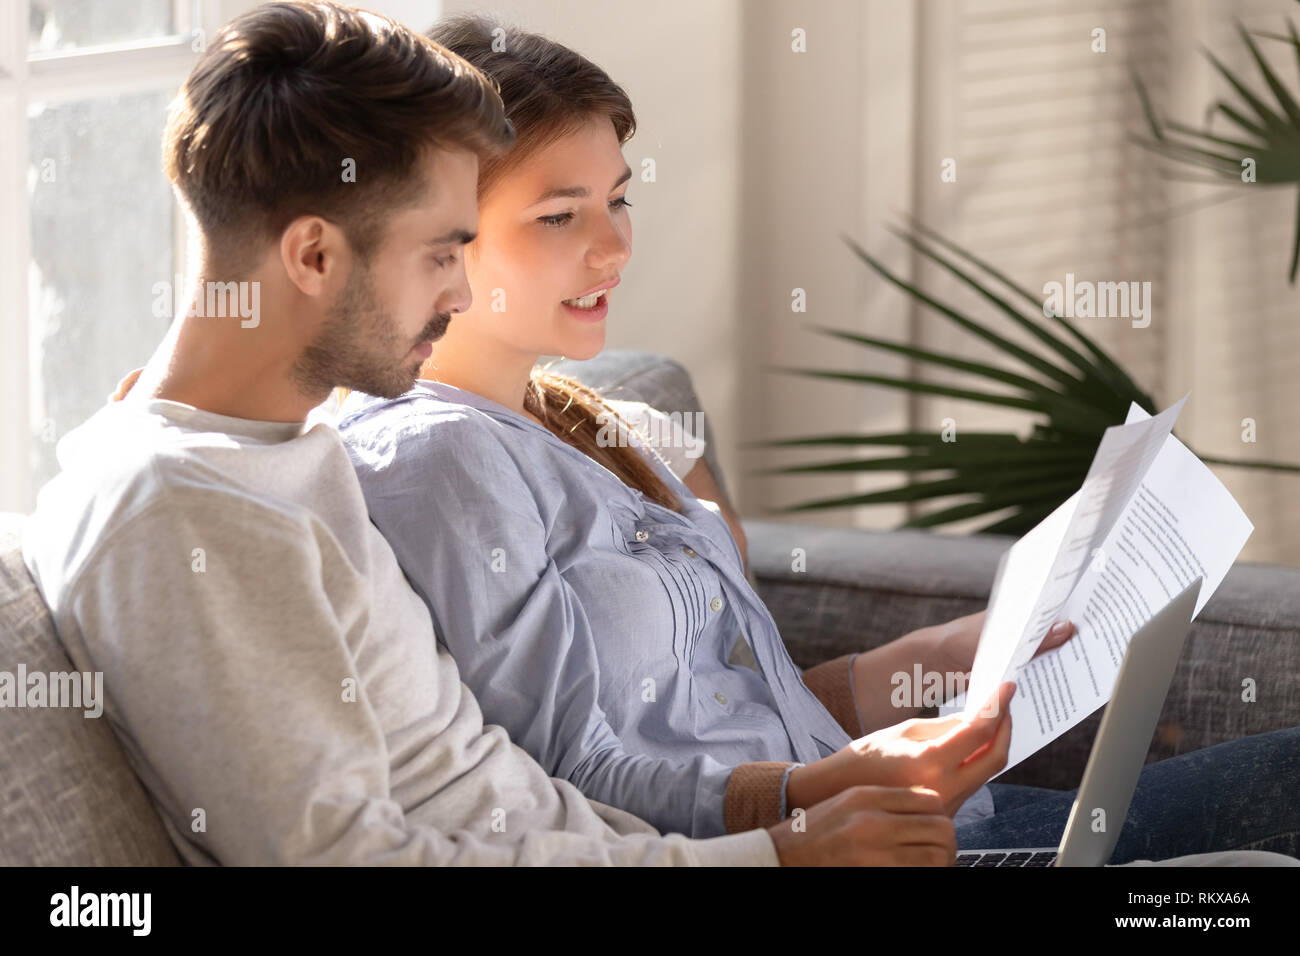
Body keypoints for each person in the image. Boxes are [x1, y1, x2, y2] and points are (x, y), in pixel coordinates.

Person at [20, 0, 980, 867]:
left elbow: (503, 791)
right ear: (313, 253)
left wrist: (797, 817)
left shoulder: (275, 451)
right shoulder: (186, 512)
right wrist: (777, 854)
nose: (458, 290)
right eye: (443, 253)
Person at [334, 13, 1300, 862]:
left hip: (925, 830)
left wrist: (941, 659)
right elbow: (564, 775)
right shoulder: (437, 458)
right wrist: (814, 798)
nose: (616, 245)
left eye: (618, 198)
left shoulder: (580, 413)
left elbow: (729, 713)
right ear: (446, 229)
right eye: (559, 215)